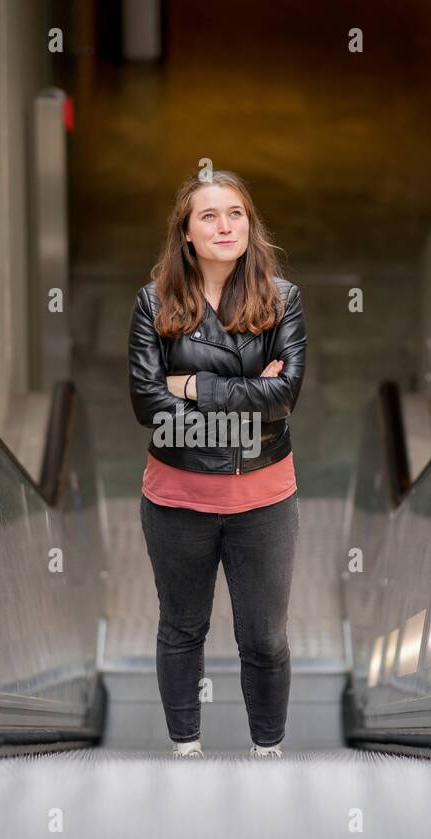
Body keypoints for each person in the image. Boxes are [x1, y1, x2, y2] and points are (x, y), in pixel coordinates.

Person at [128, 170, 306, 757]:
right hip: (178, 501)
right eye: (208, 215)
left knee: (266, 639)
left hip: (265, 500)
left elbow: (285, 397)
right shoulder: (153, 303)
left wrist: (194, 387)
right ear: (185, 232)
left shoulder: (283, 299)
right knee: (182, 630)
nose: (224, 225)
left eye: (235, 213)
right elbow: (148, 406)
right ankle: (186, 751)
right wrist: (248, 390)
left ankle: (268, 752)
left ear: (249, 225)